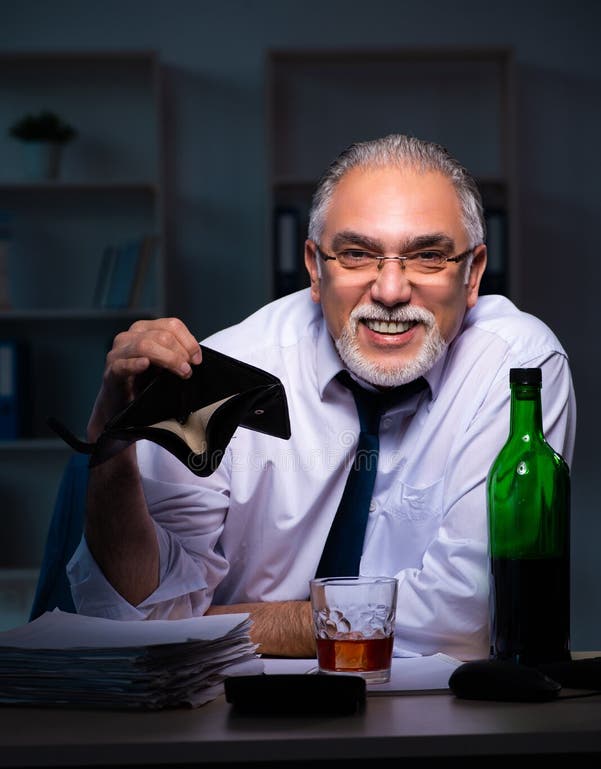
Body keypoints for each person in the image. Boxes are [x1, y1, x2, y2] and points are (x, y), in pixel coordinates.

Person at [68, 134, 576, 660]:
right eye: (357, 254)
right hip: (241, 724)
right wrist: (109, 441)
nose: (391, 291)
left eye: (428, 256)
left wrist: (205, 624)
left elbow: (463, 621)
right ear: (314, 268)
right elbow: (133, 611)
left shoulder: (516, 366)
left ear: (471, 275)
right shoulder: (224, 370)